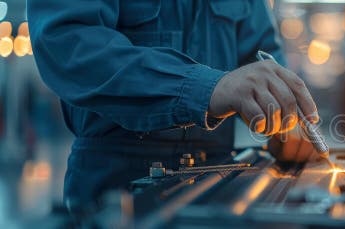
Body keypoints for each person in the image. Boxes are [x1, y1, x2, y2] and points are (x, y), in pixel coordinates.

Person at [27, 0, 318, 216]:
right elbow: (69, 45)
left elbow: (262, 50)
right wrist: (207, 88)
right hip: (116, 187)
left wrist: (284, 117)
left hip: (219, 184)